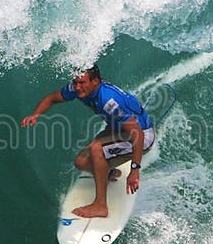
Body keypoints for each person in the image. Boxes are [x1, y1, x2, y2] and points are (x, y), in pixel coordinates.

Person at [21, 65, 155, 218]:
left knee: (96, 148)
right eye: (75, 82)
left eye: (82, 83)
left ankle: (100, 206)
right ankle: (108, 172)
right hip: (119, 129)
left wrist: (134, 170)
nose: (78, 87)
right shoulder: (78, 88)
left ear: (95, 81)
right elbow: (51, 99)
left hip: (142, 135)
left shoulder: (108, 101)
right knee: (81, 162)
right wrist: (36, 114)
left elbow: (137, 133)